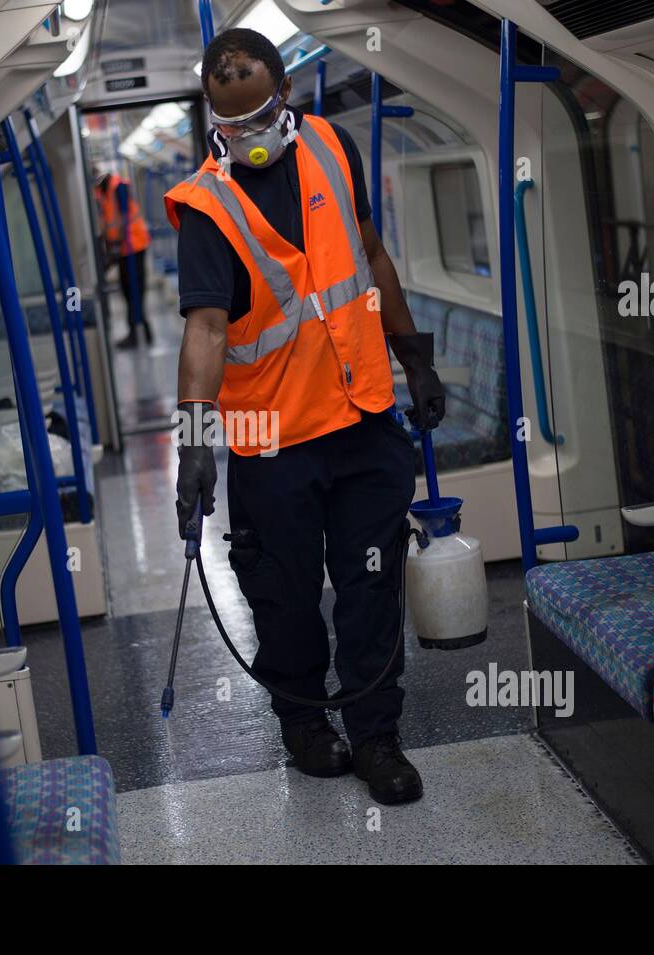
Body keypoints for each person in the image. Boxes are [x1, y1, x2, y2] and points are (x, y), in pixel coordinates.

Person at [164, 28, 446, 805]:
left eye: (258, 118)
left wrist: (413, 354)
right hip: (268, 438)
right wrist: (194, 441)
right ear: (211, 120)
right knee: (284, 596)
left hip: (361, 418)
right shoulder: (206, 206)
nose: (248, 138)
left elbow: (370, 250)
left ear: (285, 96)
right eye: (231, 127)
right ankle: (303, 724)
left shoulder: (330, 146)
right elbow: (207, 328)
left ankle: (377, 734)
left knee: (370, 583)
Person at [94, 170, 151, 349]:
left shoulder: (119, 187)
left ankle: (139, 332)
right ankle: (143, 330)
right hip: (123, 248)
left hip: (134, 244)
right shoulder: (102, 192)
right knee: (128, 291)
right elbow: (106, 221)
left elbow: (123, 218)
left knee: (134, 290)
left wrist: (116, 245)